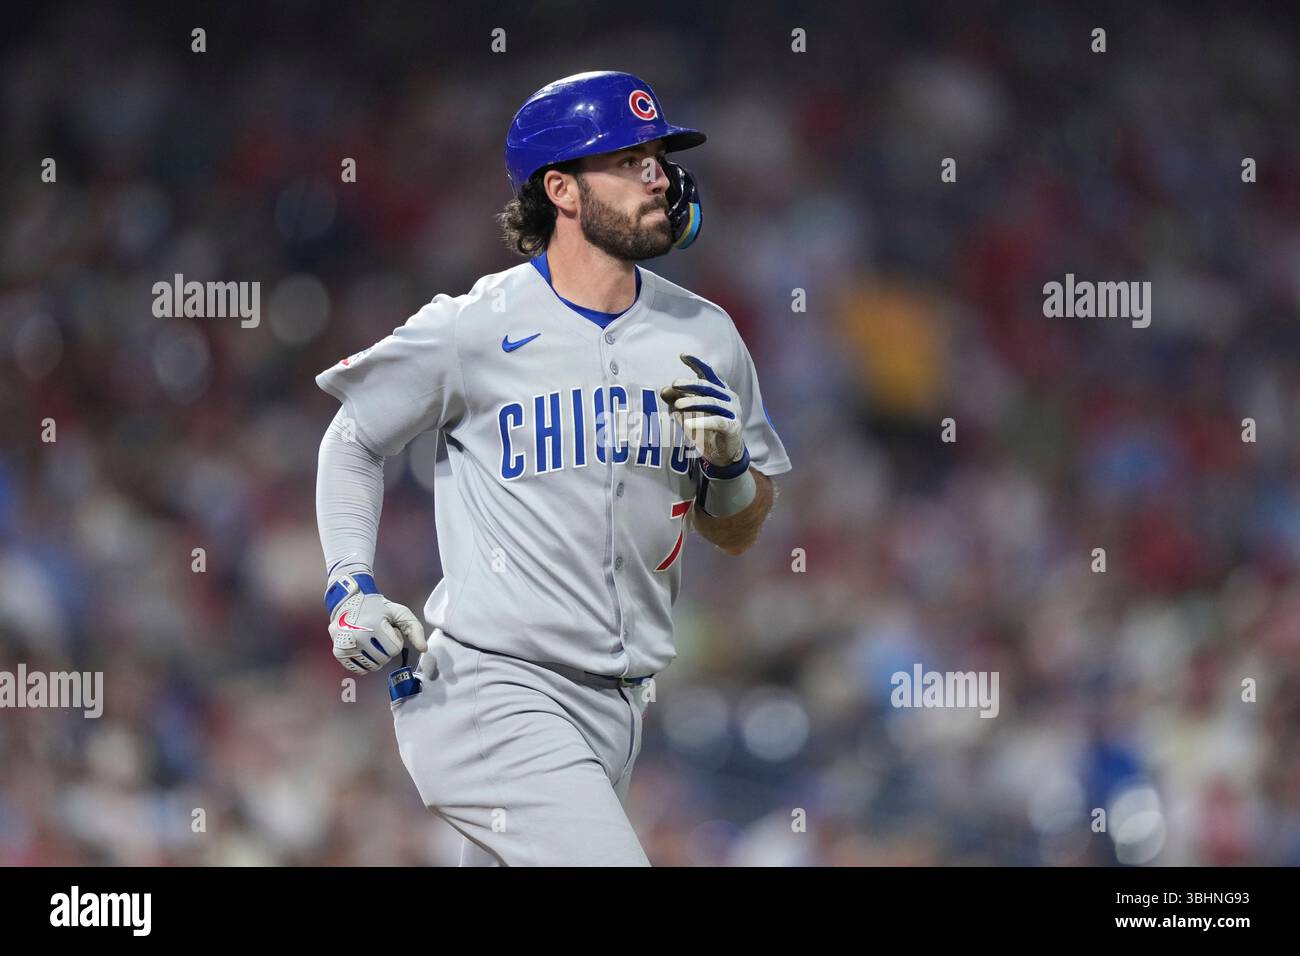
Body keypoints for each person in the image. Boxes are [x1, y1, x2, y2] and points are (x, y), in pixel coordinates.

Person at [314, 71, 791, 865]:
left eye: (659, 156)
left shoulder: (705, 334)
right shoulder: (472, 327)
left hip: (619, 709)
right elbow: (353, 438)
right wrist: (348, 586)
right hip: (492, 689)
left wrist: (731, 466)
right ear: (561, 190)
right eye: (629, 158)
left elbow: (736, 530)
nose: (658, 174)